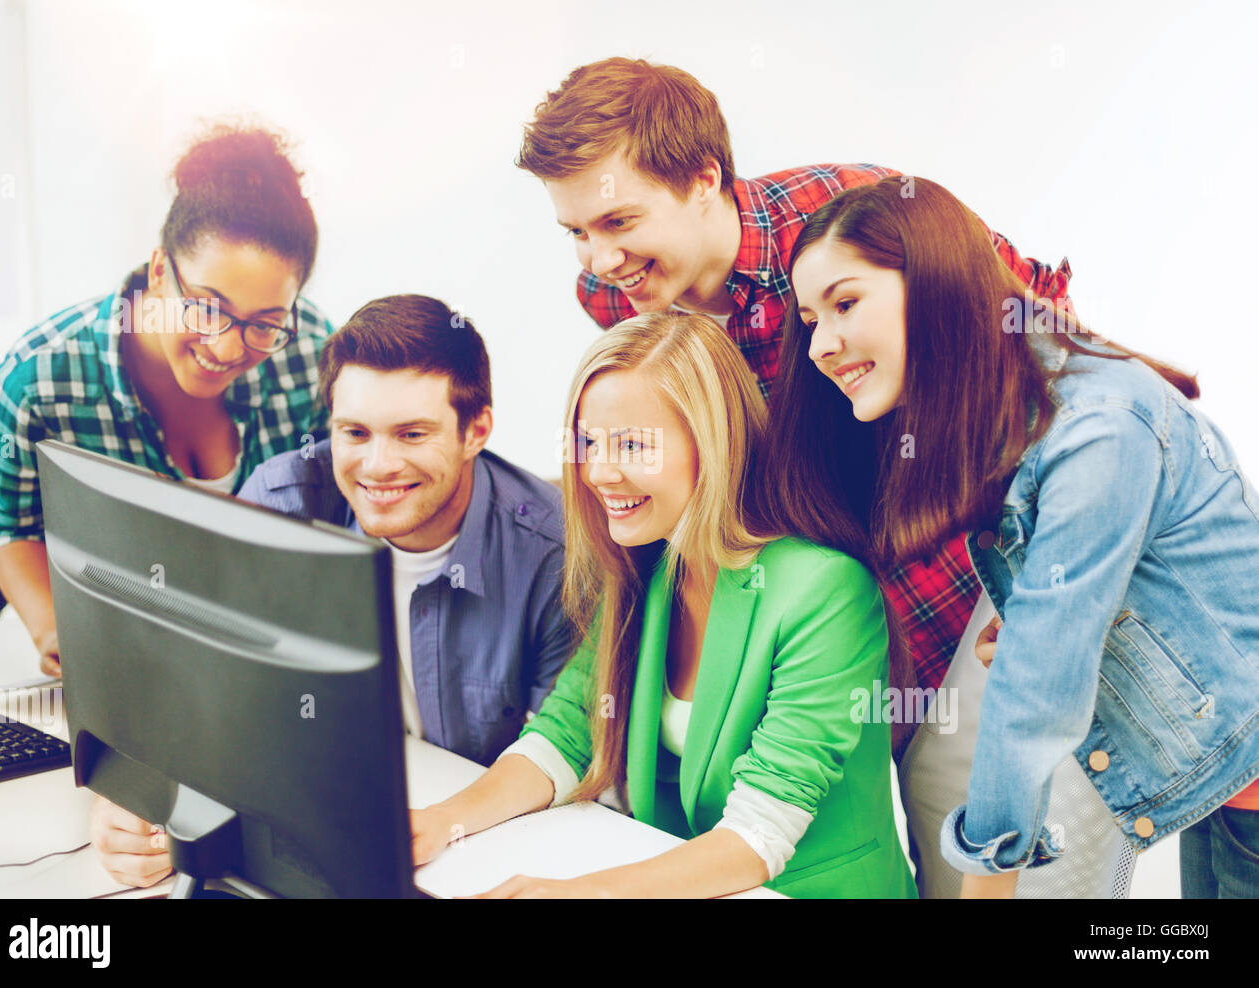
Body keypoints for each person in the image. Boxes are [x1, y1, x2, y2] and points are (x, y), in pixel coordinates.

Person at [516, 55, 1075, 763]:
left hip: (972, 575)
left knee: (974, 819)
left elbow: (1044, 342)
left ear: (703, 181)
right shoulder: (615, 299)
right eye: (576, 232)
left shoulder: (851, 217)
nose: (598, 259)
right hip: (837, 607)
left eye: (618, 220)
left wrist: (1053, 577)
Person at [759, 174, 1259, 898]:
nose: (821, 347)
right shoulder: (1011, 418)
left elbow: (1034, 696)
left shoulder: (1096, 430)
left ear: (939, 287)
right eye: (810, 320)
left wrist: (987, 881)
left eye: (844, 303)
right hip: (1230, 786)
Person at [411, 311, 917, 898]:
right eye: (589, 444)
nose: (600, 472)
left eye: (632, 444)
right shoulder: (647, 565)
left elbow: (760, 833)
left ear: (714, 443)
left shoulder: (825, 589)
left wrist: (582, 893)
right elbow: (569, 733)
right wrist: (443, 821)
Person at [91, 294, 576, 889]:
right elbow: (196, 685)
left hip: (476, 850)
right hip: (307, 832)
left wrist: (445, 825)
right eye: (355, 432)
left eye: (412, 433)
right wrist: (143, 795)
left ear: (476, 429)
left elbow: (568, 744)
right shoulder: (280, 505)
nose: (378, 464)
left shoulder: (553, 552)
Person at [0, 124, 333, 678]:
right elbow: (12, 529)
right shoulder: (37, 382)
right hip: (123, 665)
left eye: (265, 324)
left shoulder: (310, 354)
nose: (226, 347)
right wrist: (58, 633)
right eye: (208, 307)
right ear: (161, 268)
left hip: (267, 666)